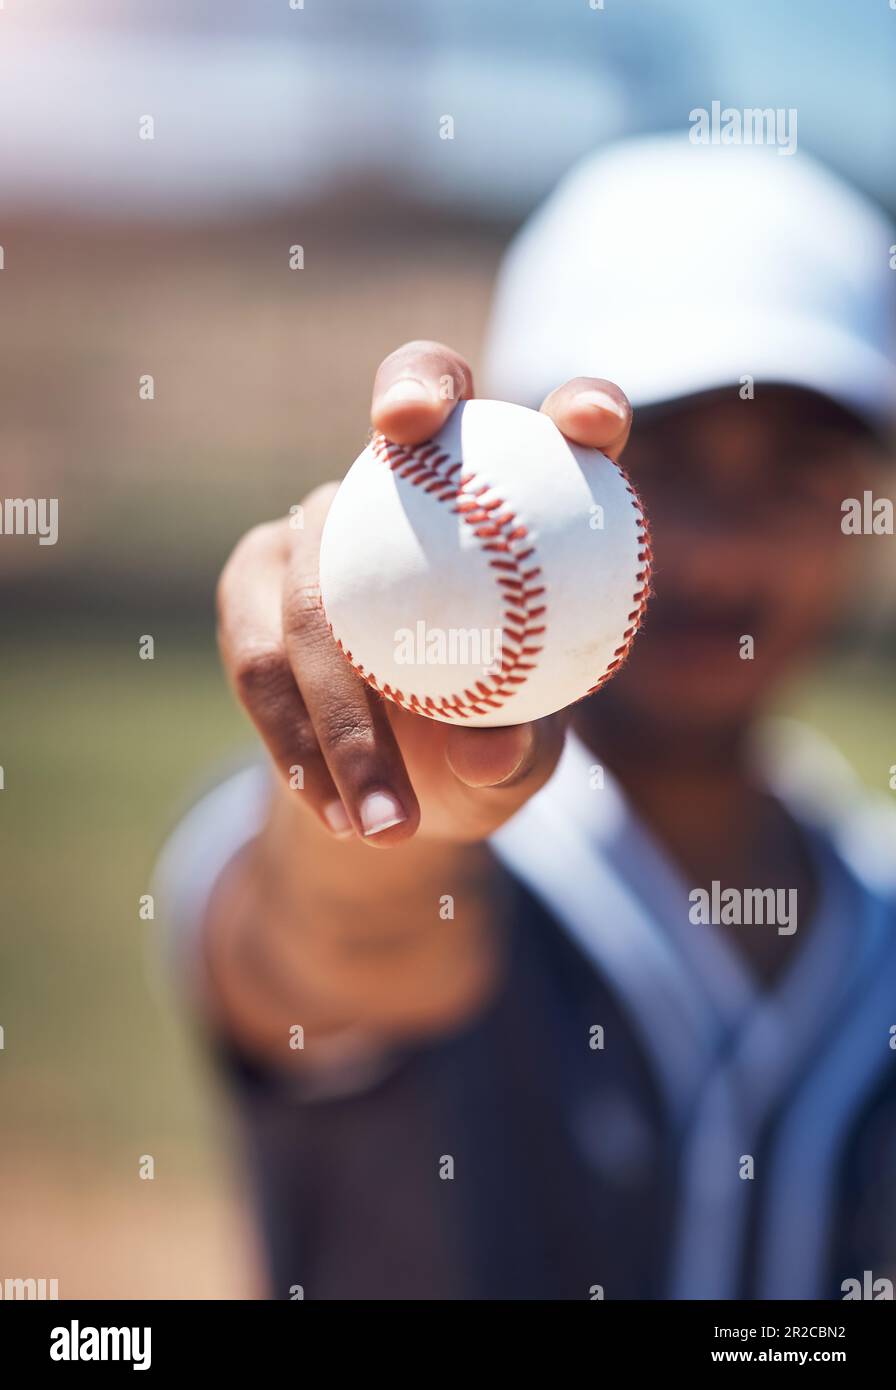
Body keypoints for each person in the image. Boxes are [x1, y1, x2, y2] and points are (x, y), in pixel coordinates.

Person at [158, 135, 896, 1300]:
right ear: (524, 464)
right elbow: (334, 944)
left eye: (796, 472)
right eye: (661, 465)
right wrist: (385, 815)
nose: (718, 553)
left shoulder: (878, 903)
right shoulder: (431, 867)